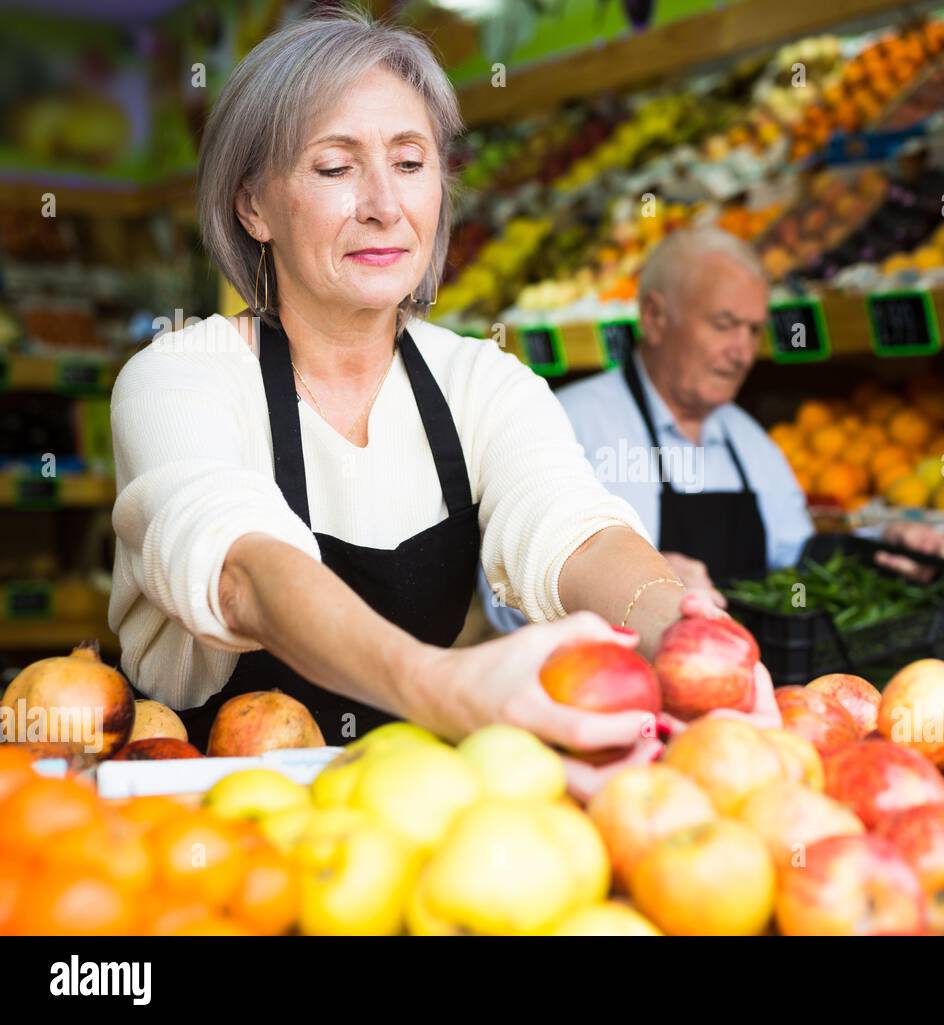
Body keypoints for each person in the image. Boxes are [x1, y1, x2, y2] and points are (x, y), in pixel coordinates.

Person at [107, 12, 776, 799]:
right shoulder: (181, 379)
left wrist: (683, 632)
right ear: (253, 206)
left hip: (410, 810)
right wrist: (441, 684)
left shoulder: (482, 384)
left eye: (410, 161)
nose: (385, 204)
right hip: (202, 811)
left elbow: (569, 527)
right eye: (334, 167)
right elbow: (243, 574)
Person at [482, 227, 944, 631]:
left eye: (753, 330)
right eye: (725, 324)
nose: (742, 352)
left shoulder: (751, 444)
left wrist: (880, 549)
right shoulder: (570, 425)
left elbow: (794, 558)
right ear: (655, 317)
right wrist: (629, 588)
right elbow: (500, 600)